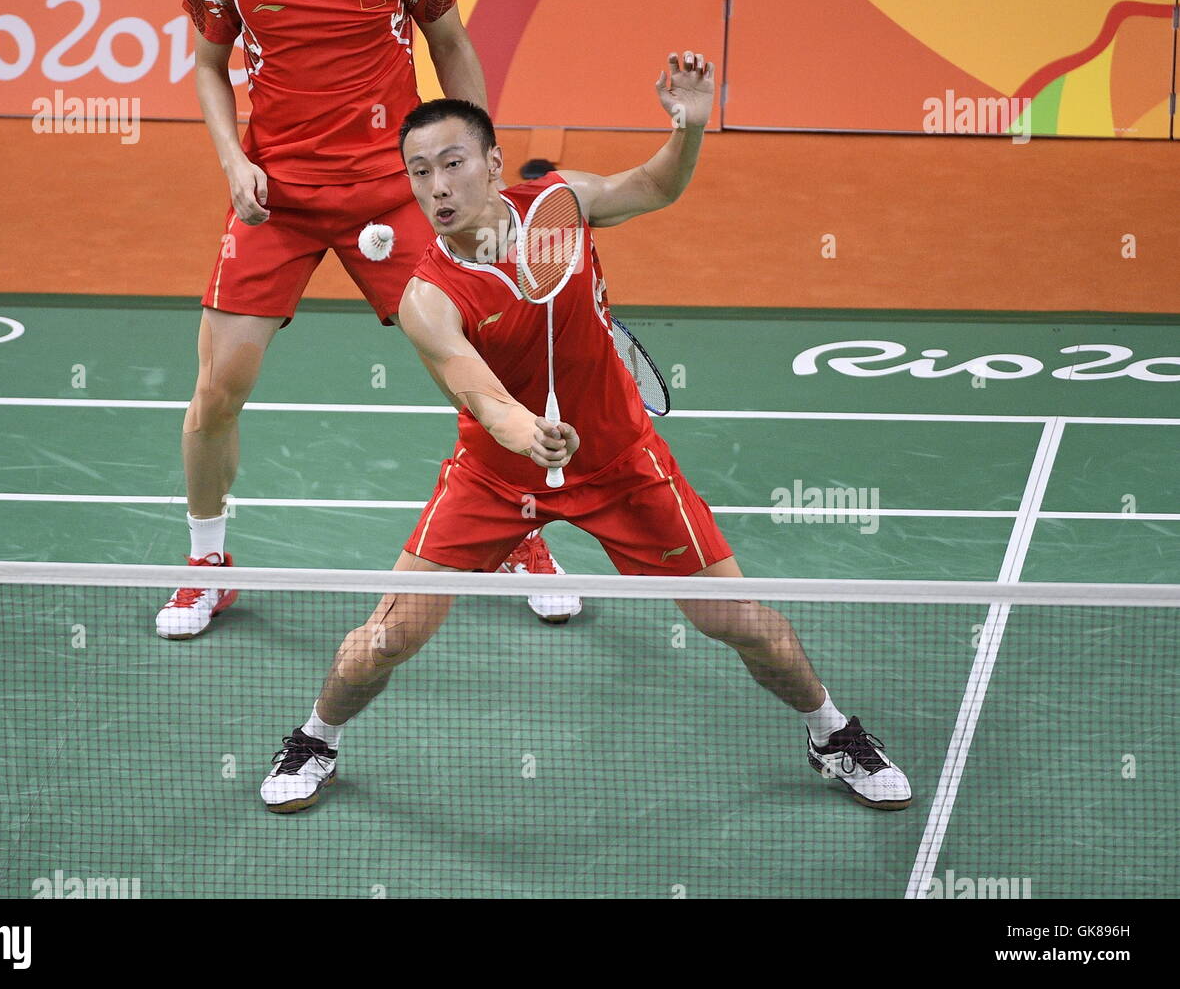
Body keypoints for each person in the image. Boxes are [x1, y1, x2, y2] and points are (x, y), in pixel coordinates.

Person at [260, 57, 913, 816]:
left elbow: (655, 185)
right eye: (419, 173)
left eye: (452, 163)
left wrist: (689, 126)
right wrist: (523, 429)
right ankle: (315, 738)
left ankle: (832, 734)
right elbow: (476, 389)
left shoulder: (561, 206)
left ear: (493, 161)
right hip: (497, 478)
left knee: (741, 623)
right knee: (390, 636)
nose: (437, 186)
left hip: (621, 464)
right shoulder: (426, 298)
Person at [158, 0, 577, 641]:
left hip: (395, 187)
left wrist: (478, 169)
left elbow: (452, 43)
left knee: (481, 366)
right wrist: (232, 160)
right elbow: (205, 64)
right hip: (278, 196)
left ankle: (521, 540)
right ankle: (204, 559)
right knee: (219, 386)